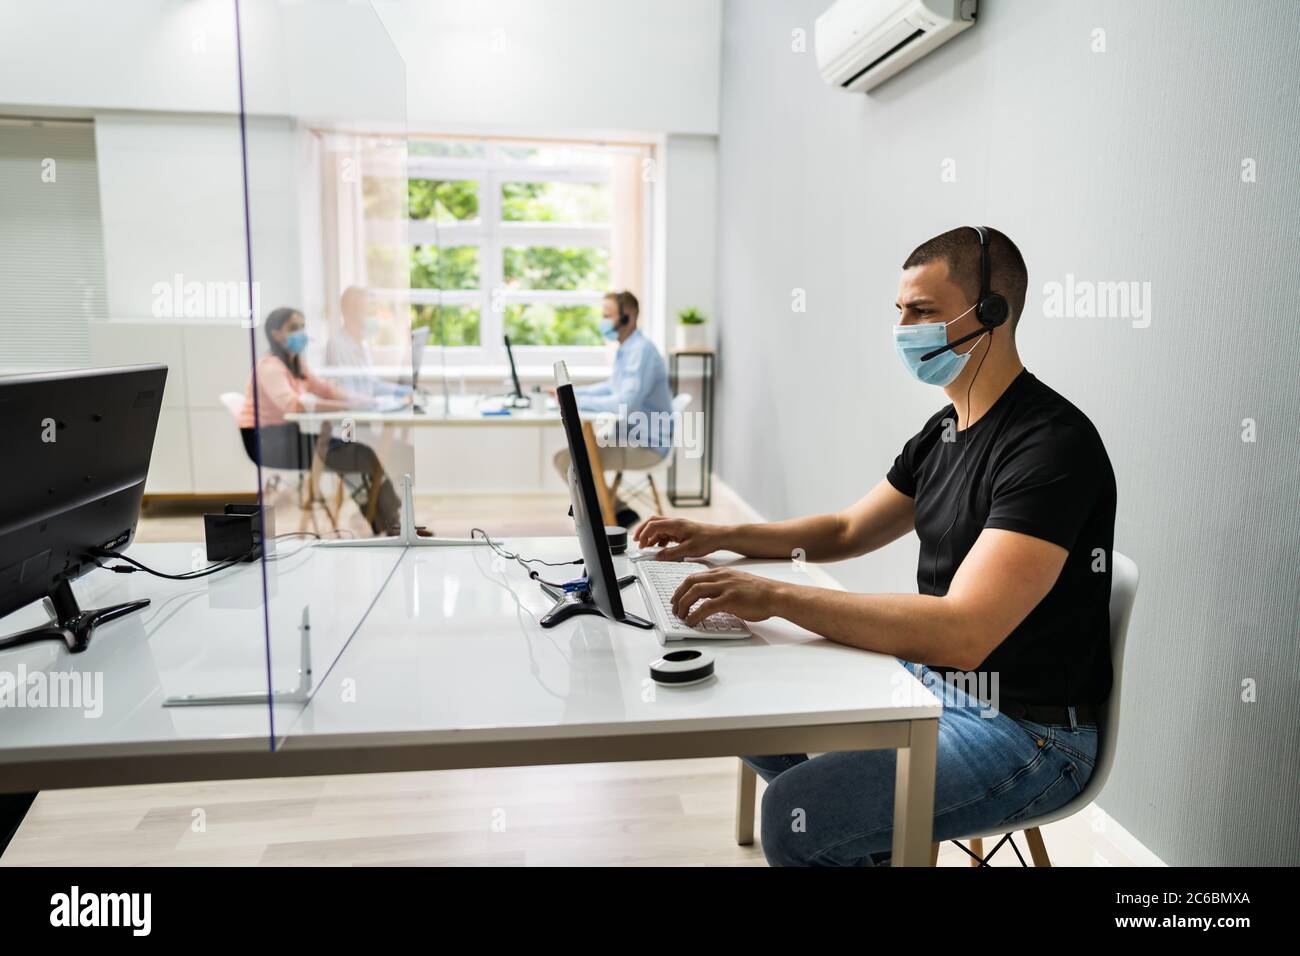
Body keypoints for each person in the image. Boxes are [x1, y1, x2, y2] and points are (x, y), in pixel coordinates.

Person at [635, 227, 1116, 866]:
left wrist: (774, 595)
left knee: (794, 820)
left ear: (992, 316)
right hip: (931, 682)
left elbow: (962, 633)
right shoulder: (945, 430)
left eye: (923, 311)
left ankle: (854, 833)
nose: (903, 328)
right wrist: (716, 536)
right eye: (899, 310)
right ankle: (871, 838)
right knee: (745, 694)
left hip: (1027, 732)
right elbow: (845, 531)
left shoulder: (1050, 446)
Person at [239, 306, 401, 535]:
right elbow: (292, 404)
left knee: (358, 455)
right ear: (276, 334)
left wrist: (362, 400)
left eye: (303, 326)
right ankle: (390, 524)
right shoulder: (270, 367)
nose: (301, 332)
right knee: (359, 455)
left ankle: (387, 522)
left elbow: (325, 389)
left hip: (287, 436)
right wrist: (345, 406)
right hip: (267, 443)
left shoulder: (296, 364)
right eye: (294, 327)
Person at [551, 290, 674, 527]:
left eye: (608, 315)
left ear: (627, 316)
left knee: (568, 460)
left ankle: (610, 518)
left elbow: (624, 405)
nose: (603, 321)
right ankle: (618, 512)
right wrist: (570, 393)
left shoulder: (640, 352)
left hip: (645, 445)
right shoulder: (628, 348)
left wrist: (573, 401)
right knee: (567, 457)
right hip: (631, 438)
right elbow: (612, 387)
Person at [324, 286, 412, 405]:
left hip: (370, 408)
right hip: (357, 417)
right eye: (368, 312)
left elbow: (373, 385)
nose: (374, 317)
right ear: (350, 313)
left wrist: (405, 392)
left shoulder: (361, 343)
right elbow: (349, 395)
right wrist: (393, 401)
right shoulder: (338, 345)